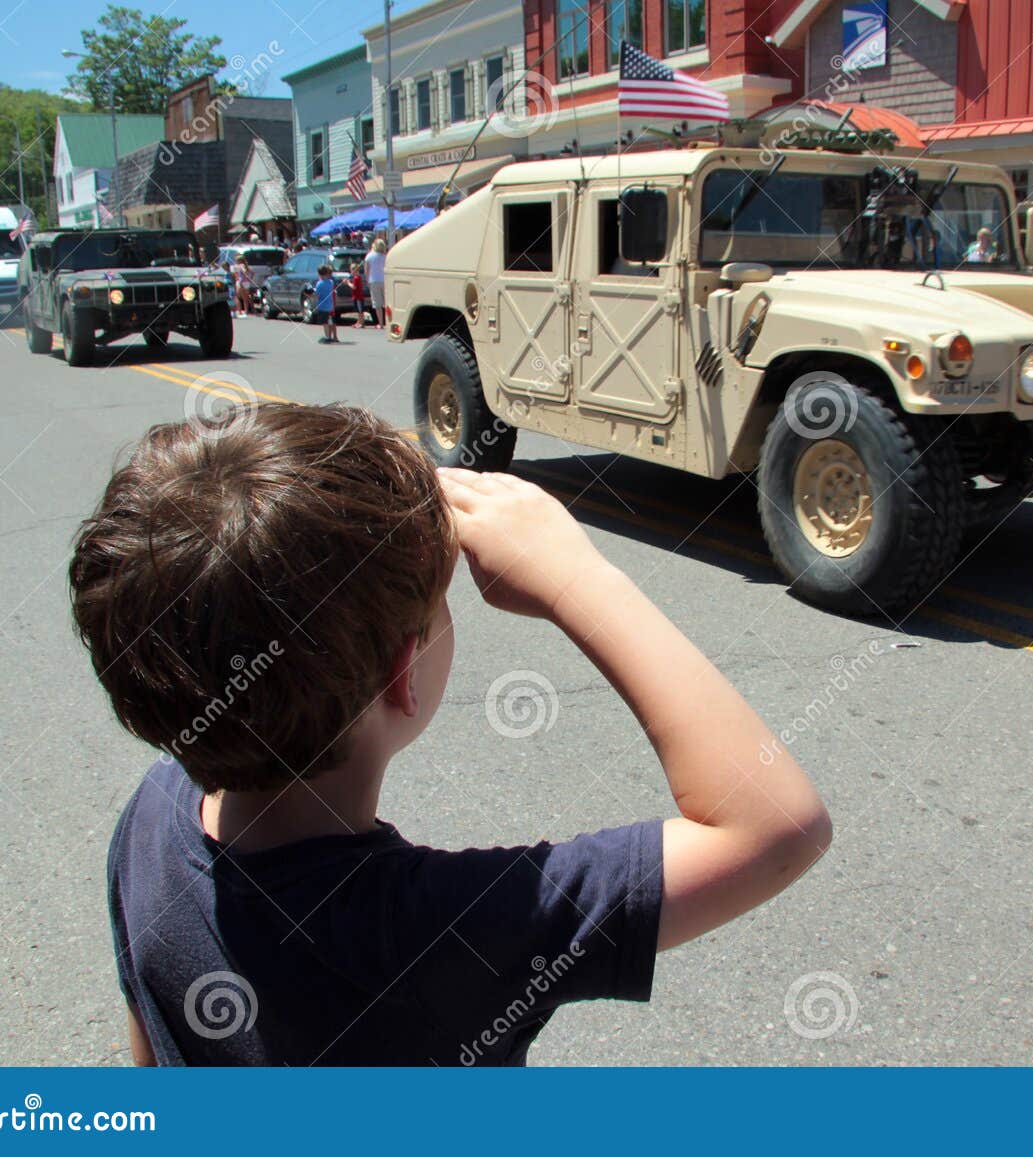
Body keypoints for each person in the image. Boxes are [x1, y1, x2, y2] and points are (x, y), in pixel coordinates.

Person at [68, 403, 830, 1066]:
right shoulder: (442, 930)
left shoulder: (149, 822)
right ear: (405, 675)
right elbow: (776, 824)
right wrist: (576, 579)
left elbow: (154, 1044)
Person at [364, 237, 387, 329]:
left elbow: (367, 270)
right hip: (384, 280)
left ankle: (380, 323)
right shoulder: (385, 256)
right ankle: (388, 322)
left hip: (374, 280)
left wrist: (367, 280)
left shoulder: (369, 256)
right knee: (386, 303)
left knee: (377, 304)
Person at [313, 264, 338, 343]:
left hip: (323, 306)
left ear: (319, 274)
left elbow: (317, 295)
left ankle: (327, 337)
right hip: (330, 305)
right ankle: (331, 335)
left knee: (325, 322)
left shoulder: (319, 284)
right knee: (330, 320)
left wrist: (309, 294)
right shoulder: (331, 282)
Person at [347, 262, 367, 329]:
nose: (351, 272)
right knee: (358, 311)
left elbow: (354, 287)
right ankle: (358, 322)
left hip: (359, 297)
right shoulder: (357, 277)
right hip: (356, 296)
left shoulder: (356, 278)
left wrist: (348, 283)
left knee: (360, 310)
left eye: (351, 270)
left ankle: (362, 322)